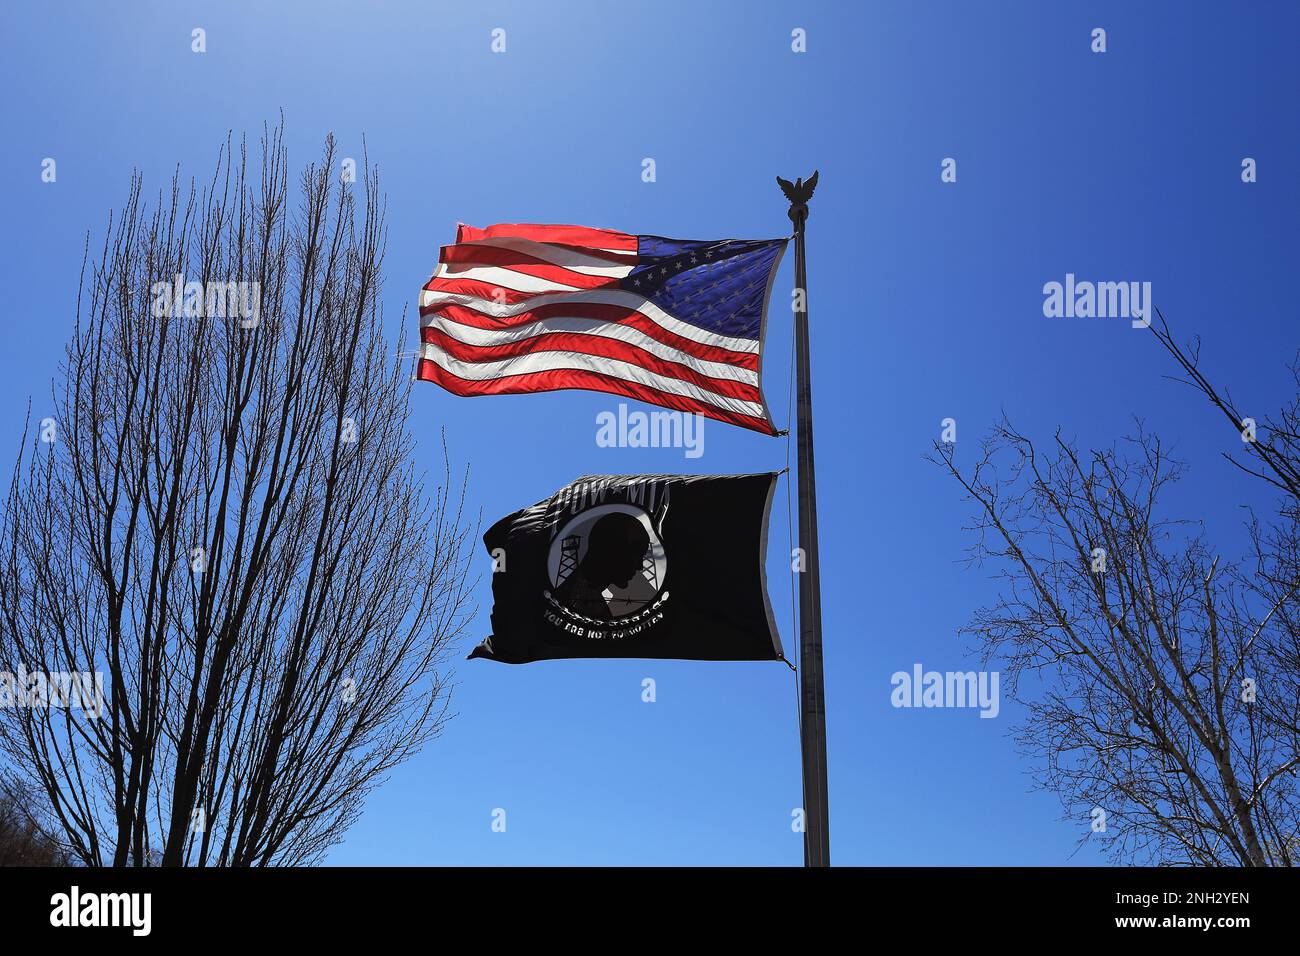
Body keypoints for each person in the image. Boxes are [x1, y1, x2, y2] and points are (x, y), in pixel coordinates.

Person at [555, 512, 650, 620]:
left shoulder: (561, 599)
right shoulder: (588, 609)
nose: (640, 567)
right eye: (636, 554)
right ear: (611, 550)